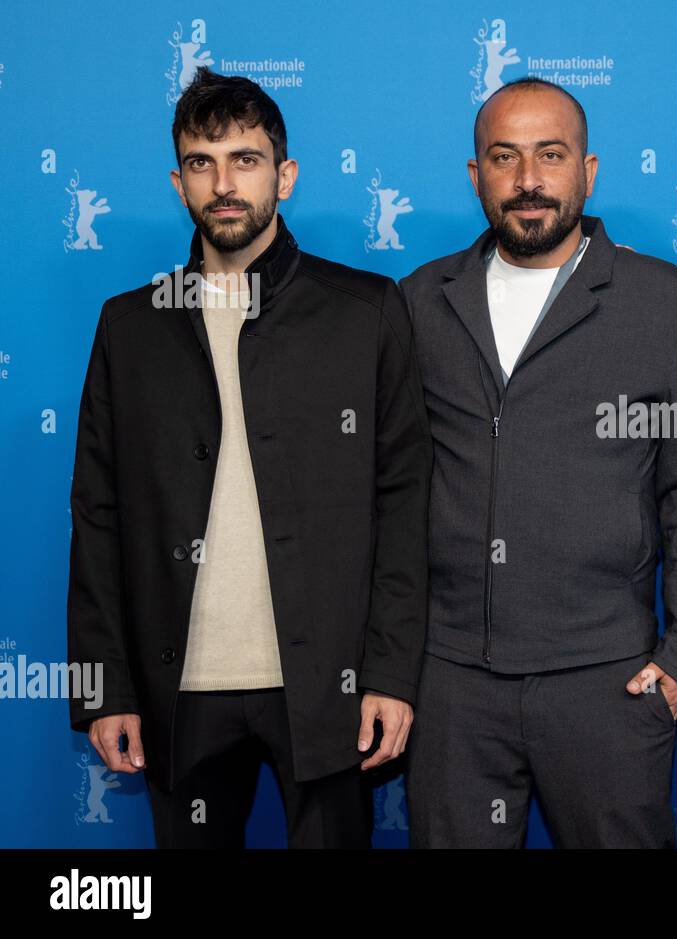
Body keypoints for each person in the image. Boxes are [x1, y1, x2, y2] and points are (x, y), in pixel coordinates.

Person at [67, 68, 432, 848]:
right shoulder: (131, 326)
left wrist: (391, 673)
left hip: (326, 686)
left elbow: (405, 499)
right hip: (180, 689)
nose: (224, 183)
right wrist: (103, 689)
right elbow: (97, 517)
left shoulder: (366, 309)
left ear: (285, 175)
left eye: (246, 159)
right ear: (178, 182)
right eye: (202, 162)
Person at [400, 77, 677, 848]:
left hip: (606, 680)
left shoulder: (663, 301)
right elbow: (387, 488)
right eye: (504, 157)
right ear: (475, 174)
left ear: (588, 169)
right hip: (450, 681)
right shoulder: (419, 300)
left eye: (551, 155)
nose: (528, 181)